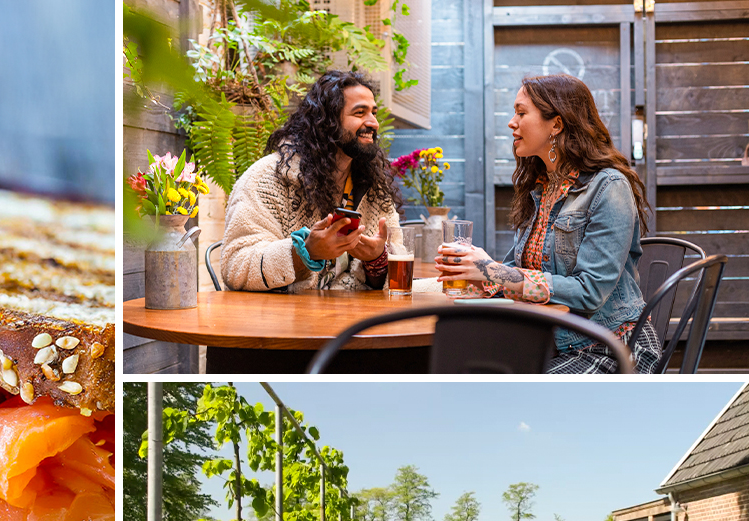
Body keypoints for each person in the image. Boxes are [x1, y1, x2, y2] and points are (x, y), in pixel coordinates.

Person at [435, 73, 660, 374]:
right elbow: (519, 272)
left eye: (521, 112)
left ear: (556, 124)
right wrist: (475, 272)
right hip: (550, 343)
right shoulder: (541, 188)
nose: (511, 122)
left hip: (611, 348)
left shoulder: (609, 186)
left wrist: (492, 271)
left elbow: (589, 291)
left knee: (499, 393)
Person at [218, 70, 405, 292]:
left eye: (373, 113)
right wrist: (304, 253)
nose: (373, 122)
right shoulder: (266, 178)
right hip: (283, 313)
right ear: (328, 122)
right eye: (359, 113)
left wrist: (376, 260)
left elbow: (399, 270)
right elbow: (236, 265)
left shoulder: (374, 187)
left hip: (353, 312)